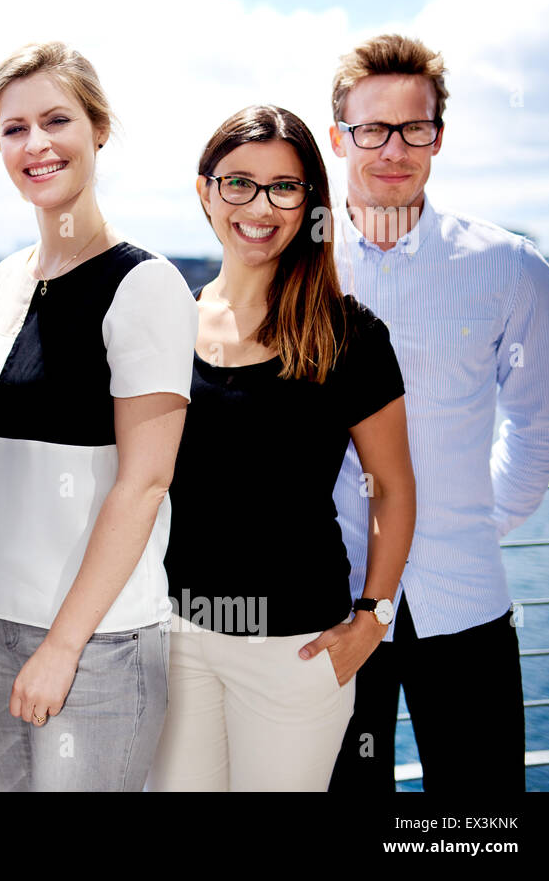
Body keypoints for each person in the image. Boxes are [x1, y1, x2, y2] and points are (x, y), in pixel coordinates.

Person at [144, 105, 415, 792]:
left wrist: (373, 619)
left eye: (284, 187)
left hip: (295, 649)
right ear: (205, 191)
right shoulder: (165, 324)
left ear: (310, 202)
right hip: (176, 638)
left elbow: (393, 486)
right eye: (238, 182)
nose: (259, 206)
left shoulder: (349, 337)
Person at [326, 34, 549, 793]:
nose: (393, 148)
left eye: (414, 127)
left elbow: (537, 424)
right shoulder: (300, 266)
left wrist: (472, 518)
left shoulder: (510, 267)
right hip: (332, 608)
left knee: (480, 825)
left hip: (466, 605)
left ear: (438, 136)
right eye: (372, 128)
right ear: (338, 137)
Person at [0, 42, 196, 791]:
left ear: (98, 128)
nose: (36, 144)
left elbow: (146, 483)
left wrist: (62, 646)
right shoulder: (6, 279)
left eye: (56, 119)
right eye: (13, 128)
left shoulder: (145, 284)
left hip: (94, 644)